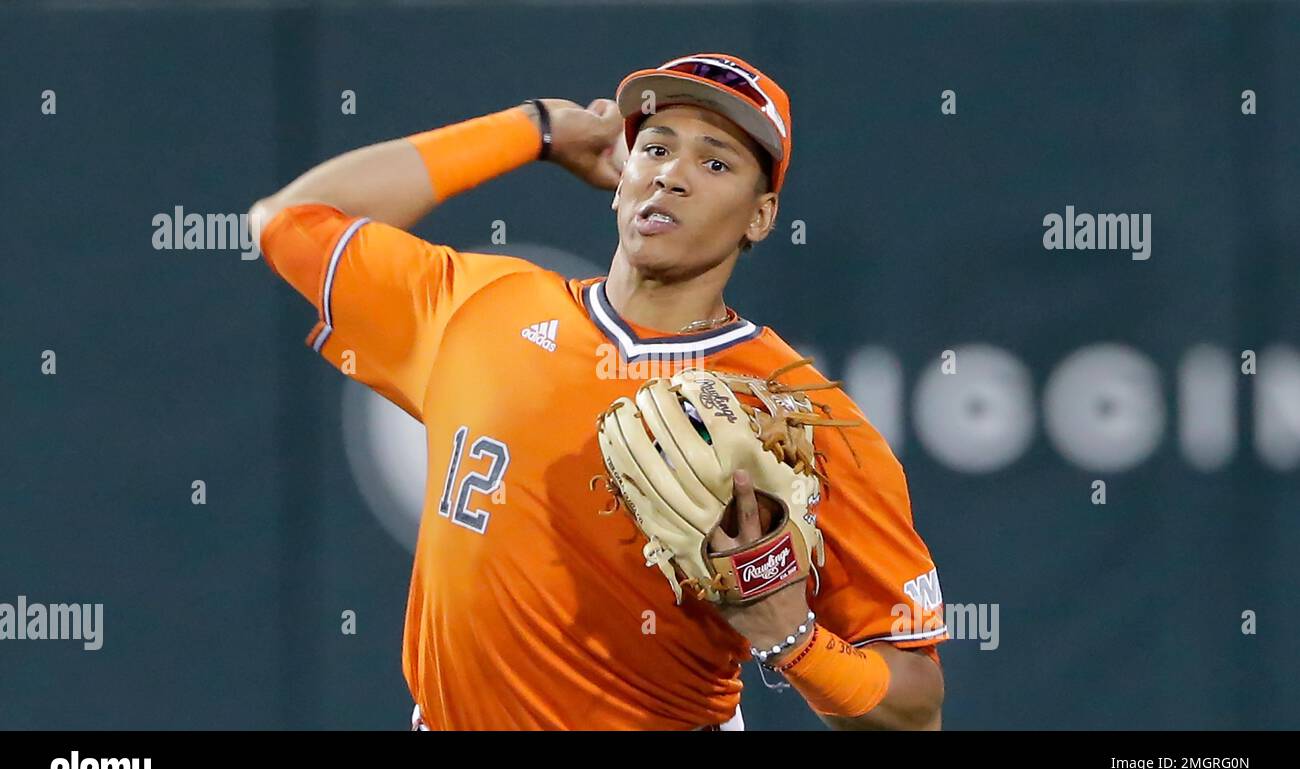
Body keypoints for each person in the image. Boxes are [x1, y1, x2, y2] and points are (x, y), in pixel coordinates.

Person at [249, 53, 947, 730]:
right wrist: (535, 129)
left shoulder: (804, 415)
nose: (671, 176)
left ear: (761, 217)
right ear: (621, 178)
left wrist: (793, 640)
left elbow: (916, 710)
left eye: (714, 162)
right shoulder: (486, 306)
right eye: (656, 148)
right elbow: (292, 218)